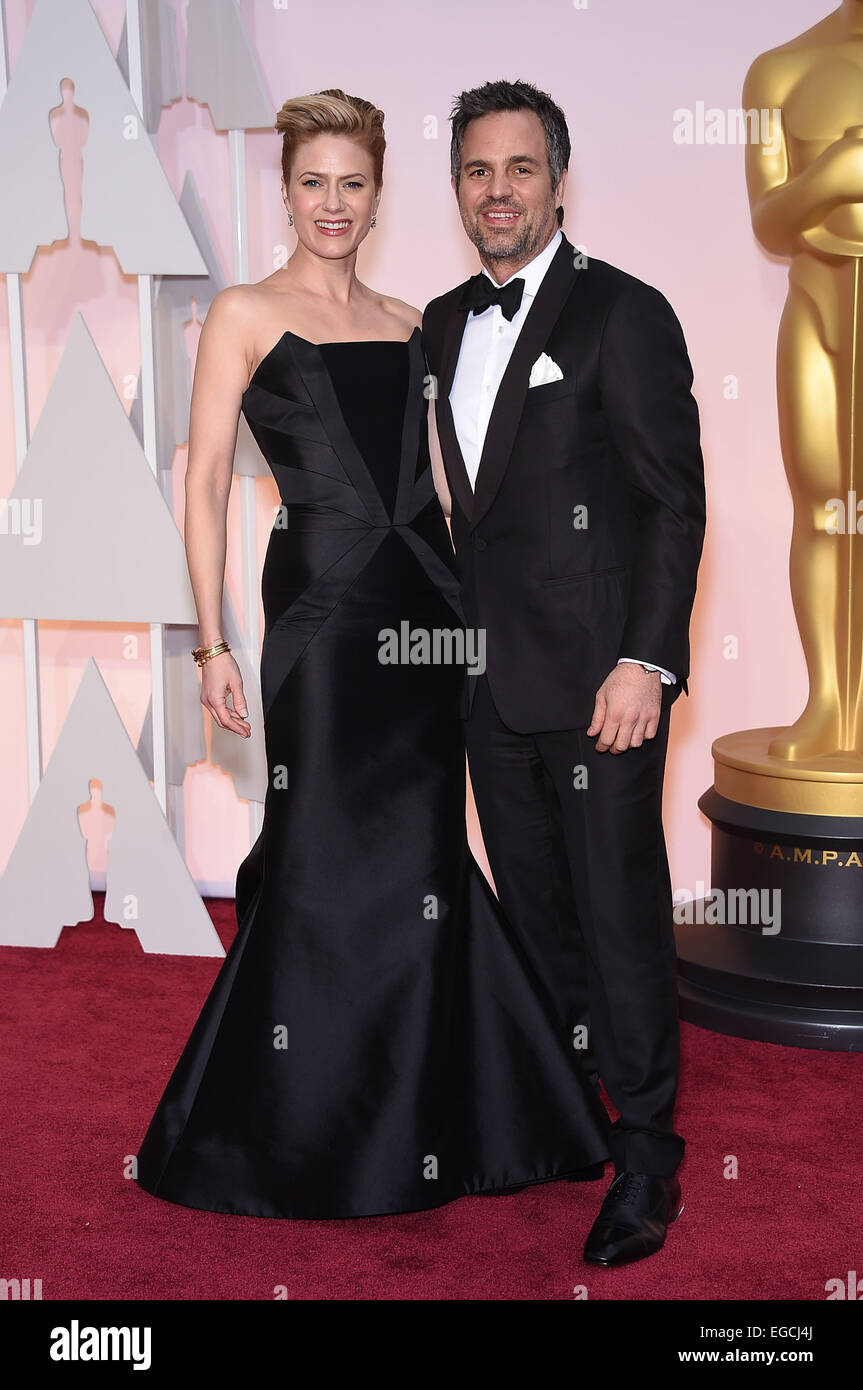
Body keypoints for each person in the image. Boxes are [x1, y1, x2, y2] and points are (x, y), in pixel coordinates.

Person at [134, 88, 609, 1220]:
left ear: (380, 194)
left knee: (423, 858)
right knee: (319, 852)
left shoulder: (414, 321)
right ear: (285, 190)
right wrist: (209, 644)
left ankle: (424, 1123)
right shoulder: (243, 313)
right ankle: (300, 1128)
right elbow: (200, 484)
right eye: (312, 183)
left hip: (427, 608)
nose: (332, 204)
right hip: (322, 620)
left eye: (353, 184)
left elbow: (448, 492)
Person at [422, 79, 706, 1265]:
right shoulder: (438, 323)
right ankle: (560, 1109)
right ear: (458, 189)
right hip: (490, 685)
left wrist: (646, 658)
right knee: (533, 910)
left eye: (519, 168)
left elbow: (669, 502)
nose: (498, 189)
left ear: (557, 177)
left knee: (619, 910)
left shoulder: (622, 314)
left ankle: (646, 1151)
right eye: (478, 170)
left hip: (601, 689)